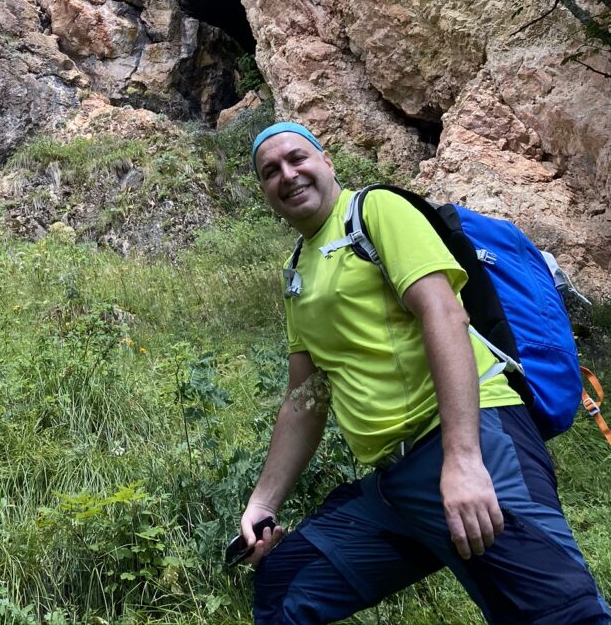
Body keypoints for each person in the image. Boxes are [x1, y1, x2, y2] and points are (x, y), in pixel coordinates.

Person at [240, 119, 610, 625]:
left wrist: (463, 459)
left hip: (470, 442)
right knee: (284, 586)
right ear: (265, 192)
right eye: (271, 171)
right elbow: (306, 397)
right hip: (396, 484)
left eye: (297, 158)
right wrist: (263, 503)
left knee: (563, 615)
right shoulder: (299, 271)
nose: (287, 174)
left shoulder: (374, 211)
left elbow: (444, 313)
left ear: (326, 161)